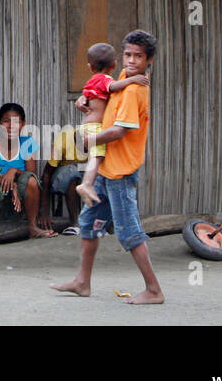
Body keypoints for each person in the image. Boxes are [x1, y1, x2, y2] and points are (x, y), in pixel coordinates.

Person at [51, 29, 164, 305]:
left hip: (121, 170)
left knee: (128, 230)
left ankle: (153, 290)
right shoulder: (122, 79)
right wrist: (85, 103)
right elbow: (102, 102)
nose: (132, 61)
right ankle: (82, 282)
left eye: (138, 56)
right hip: (106, 167)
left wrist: (91, 138)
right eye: (128, 54)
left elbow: (119, 130)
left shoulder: (136, 89)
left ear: (149, 60)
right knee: (88, 223)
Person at [73, 42, 150, 205]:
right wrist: (133, 80)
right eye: (128, 55)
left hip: (88, 124)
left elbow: (87, 97)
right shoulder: (105, 80)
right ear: (114, 64)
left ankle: (88, 184)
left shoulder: (93, 80)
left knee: (97, 156)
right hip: (93, 127)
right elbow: (113, 86)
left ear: (89, 66)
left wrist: (80, 100)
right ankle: (86, 183)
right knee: (97, 156)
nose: (131, 60)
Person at [0, 102, 56, 240]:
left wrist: (13, 171)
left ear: (23, 124)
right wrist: (11, 185)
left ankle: (32, 226)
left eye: (16, 122)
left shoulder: (27, 142)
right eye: (6, 121)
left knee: (30, 180)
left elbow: (32, 173)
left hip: (21, 201)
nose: (11, 126)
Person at [40, 125, 86, 235]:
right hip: (61, 177)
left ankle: (101, 223)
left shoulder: (98, 142)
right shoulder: (63, 141)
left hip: (84, 173)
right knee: (71, 172)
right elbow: (46, 174)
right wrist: (44, 211)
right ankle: (75, 223)